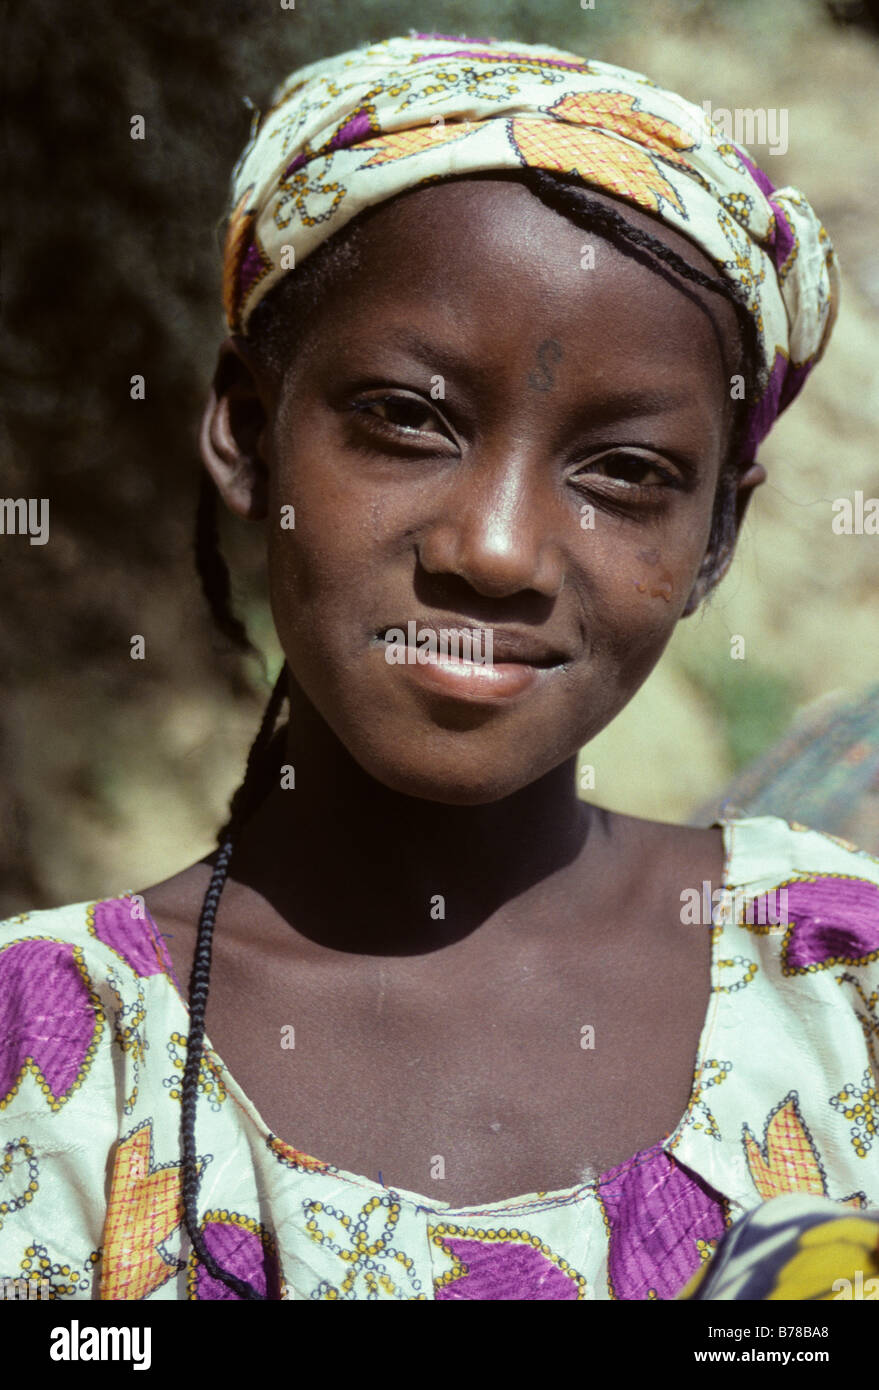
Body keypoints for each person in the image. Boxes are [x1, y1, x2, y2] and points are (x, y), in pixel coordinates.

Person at [2, 32, 878, 1303]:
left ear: (715, 542)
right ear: (248, 432)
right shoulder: (58, 1061)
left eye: (625, 472)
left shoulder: (838, 980)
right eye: (408, 419)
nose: (500, 549)